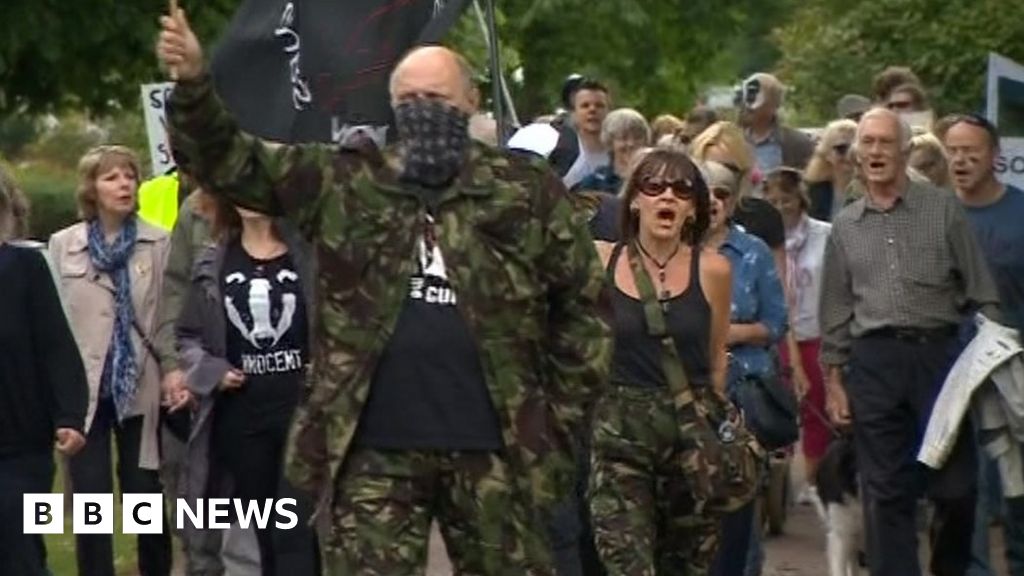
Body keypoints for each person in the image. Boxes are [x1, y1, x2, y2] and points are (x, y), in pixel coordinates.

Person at [158, 12, 610, 575]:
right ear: (392, 107)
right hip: (372, 448)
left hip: (498, 446)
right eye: (410, 97)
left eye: (437, 96)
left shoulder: (524, 193)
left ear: (470, 102)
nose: (423, 108)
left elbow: (584, 309)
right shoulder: (349, 182)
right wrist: (196, 84)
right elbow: (230, 163)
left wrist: (558, 417)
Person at [820, 107, 1000, 576]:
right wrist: (834, 381)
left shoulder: (942, 209)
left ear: (904, 150)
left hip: (940, 360)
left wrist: (994, 359)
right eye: (868, 143)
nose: (875, 151)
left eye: (885, 142)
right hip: (874, 362)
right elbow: (836, 310)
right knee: (885, 493)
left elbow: (983, 292)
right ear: (857, 153)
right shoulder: (846, 226)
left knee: (957, 490)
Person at [589, 148, 732, 574]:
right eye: (653, 186)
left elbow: (716, 357)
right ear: (634, 200)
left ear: (693, 209)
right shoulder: (600, 259)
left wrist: (712, 429)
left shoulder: (714, 270)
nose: (666, 196)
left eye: (681, 189)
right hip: (619, 438)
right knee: (627, 563)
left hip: (689, 443)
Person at [175, 194, 319, 576]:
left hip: (301, 414)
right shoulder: (212, 262)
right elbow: (187, 337)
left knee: (298, 530)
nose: (248, 198)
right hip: (242, 420)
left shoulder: (307, 256)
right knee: (266, 530)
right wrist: (212, 371)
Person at [49, 145, 173, 576]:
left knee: (146, 496)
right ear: (91, 189)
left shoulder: (157, 241)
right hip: (84, 392)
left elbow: (167, 317)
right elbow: (56, 324)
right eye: (111, 177)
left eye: (129, 176)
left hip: (140, 386)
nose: (124, 185)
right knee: (91, 501)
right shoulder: (64, 245)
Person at [941, 113, 1024, 576]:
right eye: (952, 150)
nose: (960, 159)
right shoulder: (934, 214)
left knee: (1017, 486)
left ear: (995, 157)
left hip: (1014, 368)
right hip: (950, 370)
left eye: (970, 150)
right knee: (963, 486)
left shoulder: (1020, 212)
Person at [0, 168, 89, 576]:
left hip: (22, 444)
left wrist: (69, 415)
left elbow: (56, 346)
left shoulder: (25, 268)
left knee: (20, 548)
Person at [702, 161, 788, 576]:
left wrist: (725, 332)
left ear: (734, 201)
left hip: (743, 391)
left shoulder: (752, 251)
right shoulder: (673, 248)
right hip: (690, 393)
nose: (714, 202)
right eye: (707, 192)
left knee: (741, 507)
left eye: (723, 194)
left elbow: (775, 324)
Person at [763, 167, 833, 505]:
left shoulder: (825, 235)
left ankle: (813, 482)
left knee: (815, 409)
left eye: (786, 199)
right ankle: (780, 489)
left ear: (800, 198)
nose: (780, 207)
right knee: (779, 409)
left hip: (815, 330)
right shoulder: (762, 239)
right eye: (773, 201)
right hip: (778, 335)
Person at [736, 72, 815, 174]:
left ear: (773, 106)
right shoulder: (733, 141)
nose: (747, 106)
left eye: (755, 96)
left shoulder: (797, 143)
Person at [563, 78, 612, 188]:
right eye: (585, 106)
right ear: (574, 113)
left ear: (609, 111)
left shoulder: (618, 154)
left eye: (599, 105)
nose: (592, 110)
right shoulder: (562, 155)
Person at [804, 119, 858, 221]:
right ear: (826, 153)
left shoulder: (874, 189)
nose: (849, 155)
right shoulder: (811, 192)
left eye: (855, 148)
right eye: (841, 148)